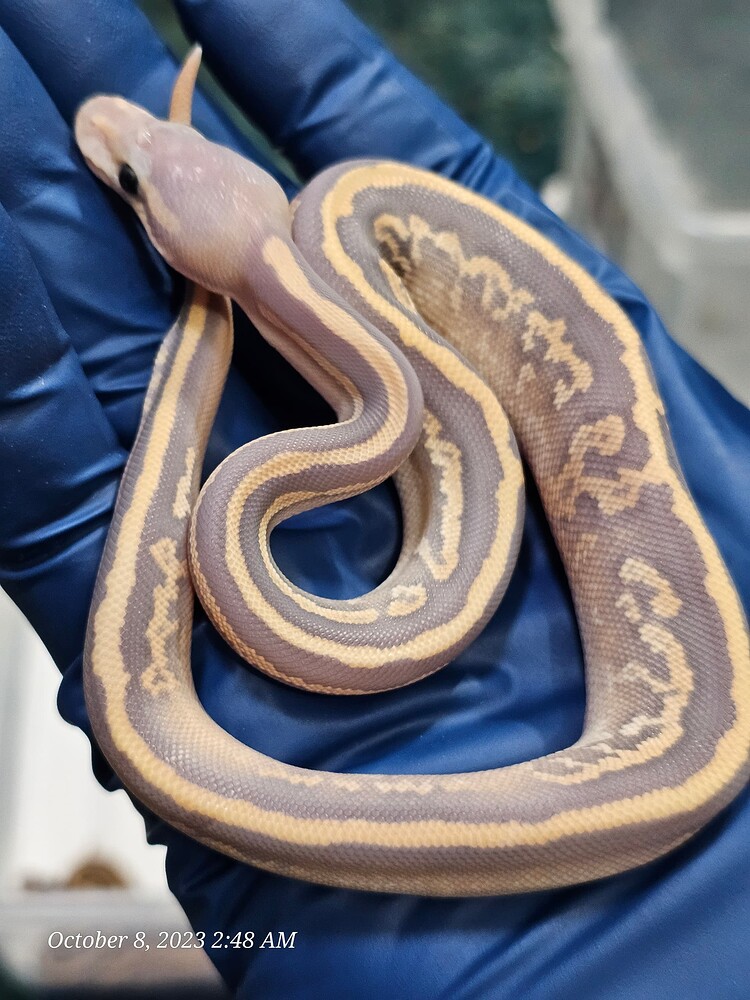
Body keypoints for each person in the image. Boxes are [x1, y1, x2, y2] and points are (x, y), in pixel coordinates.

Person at [0, 2, 748, 997]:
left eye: (134, 185)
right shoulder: (343, 240)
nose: (117, 141)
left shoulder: (345, 247)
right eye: (139, 176)